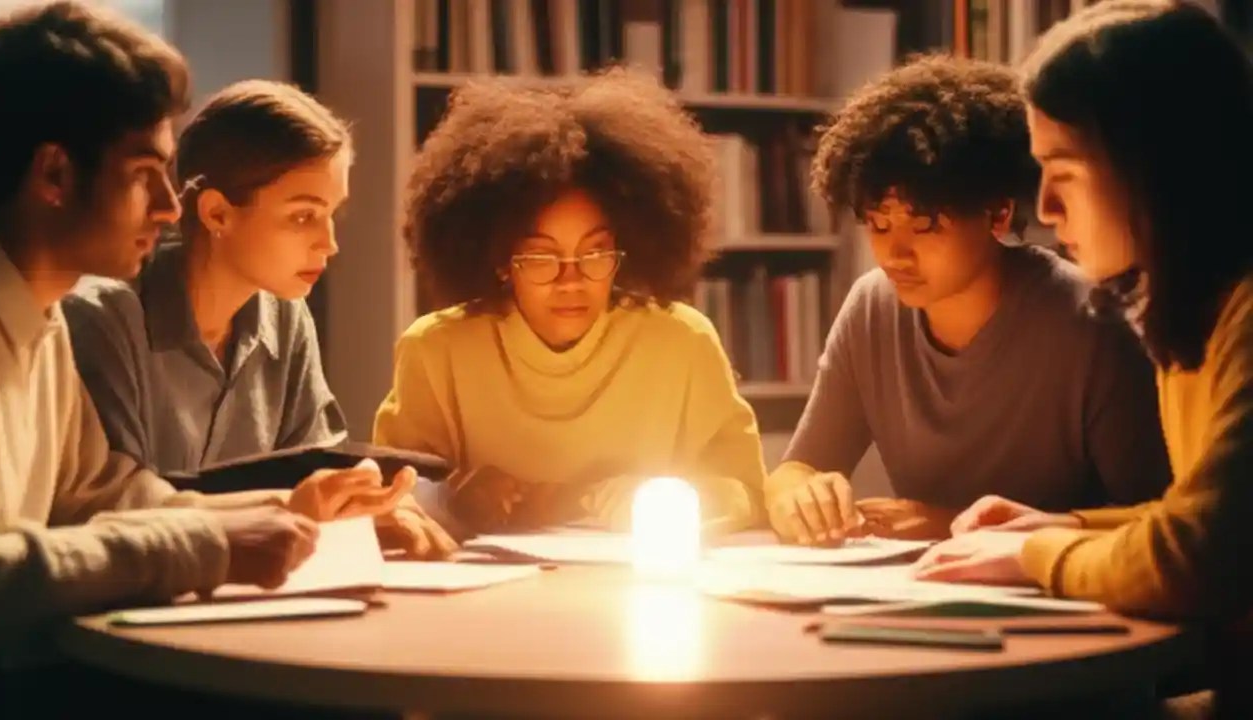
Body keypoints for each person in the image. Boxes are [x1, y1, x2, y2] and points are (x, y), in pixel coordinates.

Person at [0, 0, 405, 690]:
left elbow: (100, 494)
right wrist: (206, 545)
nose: (171, 207)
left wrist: (284, 514)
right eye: (143, 174)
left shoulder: (39, 320)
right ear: (54, 175)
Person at [910, 1, 1253, 712]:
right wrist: (1063, 525)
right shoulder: (1197, 309)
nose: (1044, 208)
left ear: (1152, 166)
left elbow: (1197, 559)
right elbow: (1201, 519)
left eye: (1062, 171)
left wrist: (1033, 556)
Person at [764, 54, 1170, 547]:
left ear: (997, 214)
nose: (895, 254)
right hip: (916, 583)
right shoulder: (872, 307)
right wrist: (799, 495)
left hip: (1056, 584)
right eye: (879, 225)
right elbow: (798, 468)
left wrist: (949, 525)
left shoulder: (1090, 320)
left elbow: (1160, 521)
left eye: (924, 227)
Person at [63, 79, 455, 559]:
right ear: (217, 214)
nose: (329, 243)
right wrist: (296, 506)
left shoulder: (285, 318)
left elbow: (315, 470)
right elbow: (113, 508)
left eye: (332, 215)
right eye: (303, 216)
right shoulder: (102, 321)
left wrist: (365, 503)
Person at [372, 69, 766, 536]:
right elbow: (390, 499)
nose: (571, 280)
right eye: (542, 257)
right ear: (500, 261)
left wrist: (669, 496)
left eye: (594, 252)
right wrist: (455, 500)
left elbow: (747, 492)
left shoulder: (683, 341)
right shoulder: (436, 350)